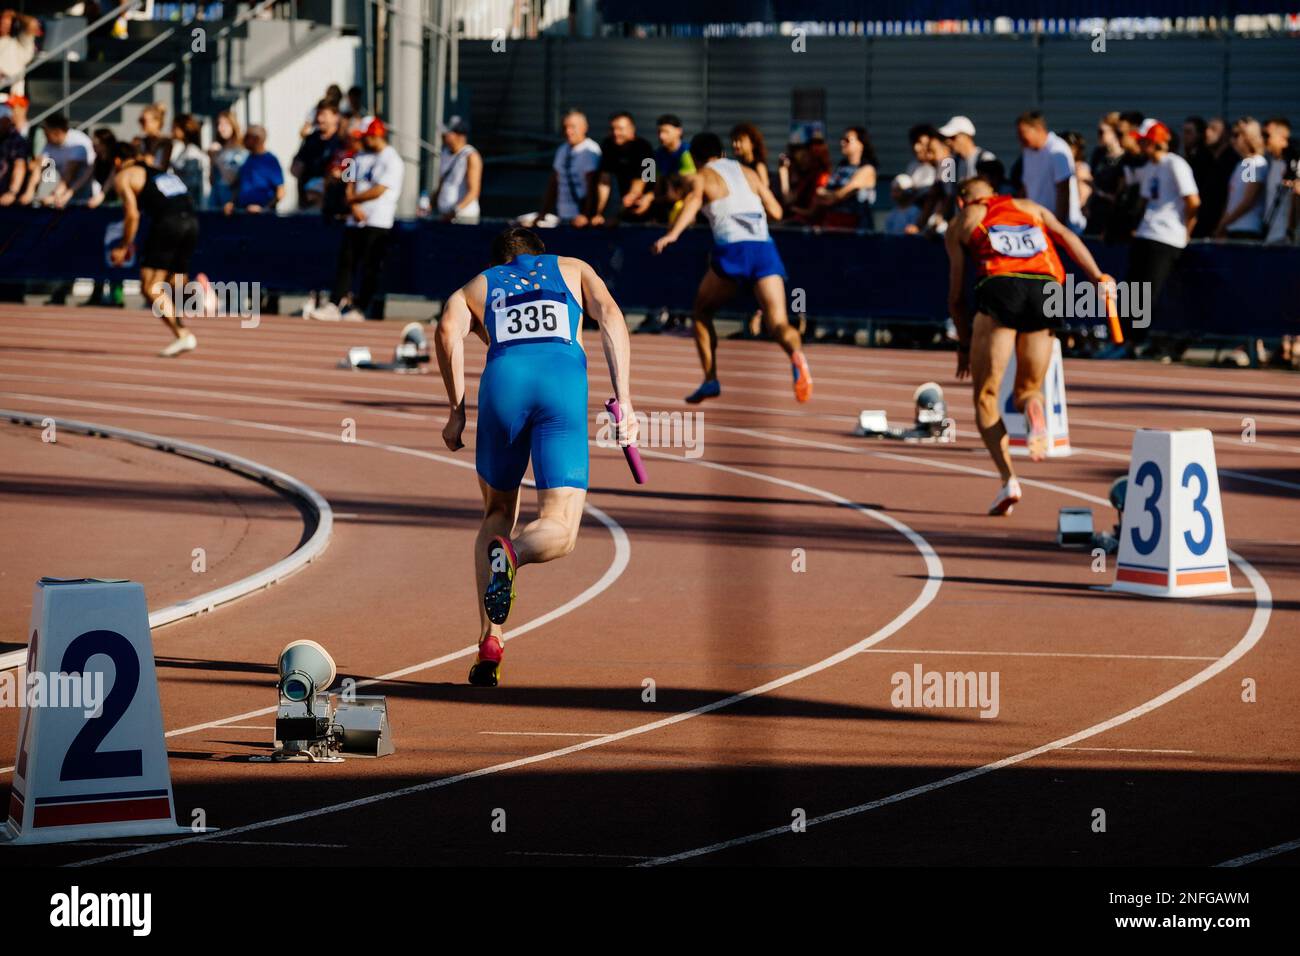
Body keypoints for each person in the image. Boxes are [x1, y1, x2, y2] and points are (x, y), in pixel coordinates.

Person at [434, 227, 636, 687]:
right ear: (540, 255)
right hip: (562, 384)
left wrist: (456, 412)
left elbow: (447, 331)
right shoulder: (575, 268)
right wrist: (624, 400)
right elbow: (612, 318)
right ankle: (516, 554)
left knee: (497, 512)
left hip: (502, 385)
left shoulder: (476, 287)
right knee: (560, 530)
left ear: (499, 261)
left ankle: (491, 641)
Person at [945, 175, 1110, 515]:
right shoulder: (1029, 207)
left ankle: (1009, 479)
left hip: (1001, 286)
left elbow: (956, 297)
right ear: (995, 192)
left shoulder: (962, 221)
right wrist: (1097, 277)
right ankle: (1034, 410)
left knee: (987, 395)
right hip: (1046, 290)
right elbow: (1065, 237)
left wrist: (963, 344)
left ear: (963, 200)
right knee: (1028, 390)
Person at [652, 132, 813, 404]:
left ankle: (710, 378)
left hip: (734, 249)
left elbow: (691, 204)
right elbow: (776, 211)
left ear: (694, 158)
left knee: (701, 312)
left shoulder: (702, 176)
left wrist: (672, 234)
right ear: (723, 153)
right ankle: (797, 356)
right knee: (778, 323)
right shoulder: (748, 172)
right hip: (764, 247)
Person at [107, 141, 201, 357]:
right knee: (172, 281)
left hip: (169, 223)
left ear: (117, 161)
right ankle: (199, 296)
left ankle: (183, 335)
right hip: (192, 221)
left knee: (150, 287)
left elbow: (132, 215)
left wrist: (123, 246)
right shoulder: (160, 171)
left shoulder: (124, 176)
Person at [309, 116, 403, 320]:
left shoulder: (392, 159)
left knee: (371, 266)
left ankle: (361, 307)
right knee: (346, 262)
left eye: (367, 137)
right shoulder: (358, 156)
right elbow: (348, 180)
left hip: (378, 220)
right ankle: (334, 303)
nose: (363, 141)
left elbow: (380, 189)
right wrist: (352, 204)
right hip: (354, 219)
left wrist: (354, 199)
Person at [1123, 119, 1201, 355]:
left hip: (1167, 238)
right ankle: (1128, 340)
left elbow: (1193, 201)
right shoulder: (1150, 168)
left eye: (1145, 142)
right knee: (1131, 288)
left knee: (1150, 290)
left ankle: (1140, 340)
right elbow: (1147, 201)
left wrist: (1186, 230)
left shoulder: (1176, 164)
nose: (1142, 147)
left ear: (1156, 142)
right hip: (1146, 234)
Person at [1016, 110, 1087, 233]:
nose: (1020, 138)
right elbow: (1026, 187)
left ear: (1038, 129)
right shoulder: (1028, 152)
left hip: (1062, 229)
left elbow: (1063, 190)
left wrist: (1058, 227)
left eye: (1023, 133)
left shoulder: (1057, 149)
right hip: (1038, 227)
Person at [529, 109, 601, 227]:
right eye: (565, 127)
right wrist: (543, 213)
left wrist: (586, 215)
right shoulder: (562, 150)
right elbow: (554, 183)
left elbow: (593, 185)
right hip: (562, 216)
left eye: (573, 127)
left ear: (584, 127)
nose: (568, 131)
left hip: (581, 220)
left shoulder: (591, 151)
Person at [590, 111, 654, 226]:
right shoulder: (608, 145)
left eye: (620, 129)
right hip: (624, 207)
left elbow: (644, 181)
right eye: (612, 129)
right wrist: (598, 213)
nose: (615, 133)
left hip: (649, 206)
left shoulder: (645, 147)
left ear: (632, 129)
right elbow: (604, 182)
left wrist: (617, 215)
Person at [1214, 117, 1267, 240]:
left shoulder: (1253, 163)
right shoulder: (1243, 164)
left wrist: (1223, 224)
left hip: (1246, 230)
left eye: (1237, 135)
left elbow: (1247, 201)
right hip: (1234, 228)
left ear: (1249, 137)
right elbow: (1234, 199)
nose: (1232, 140)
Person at [816, 125, 877, 230]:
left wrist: (827, 195)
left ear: (861, 144)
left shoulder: (867, 169)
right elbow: (820, 196)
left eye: (847, 140)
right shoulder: (841, 168)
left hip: (856, 228)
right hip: (834, 224)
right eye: (841, 139)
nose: (842, 143)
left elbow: (841, 194)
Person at [291, 101, 346, 210]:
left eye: (324, 114)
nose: (320, 119)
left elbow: (349, 174)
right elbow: (296, 167)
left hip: (333, 205)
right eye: (318, 114)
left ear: (336, 117)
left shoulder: (342, 142)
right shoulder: (311, 139)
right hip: (308, 202)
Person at [223, 125, 283, 214]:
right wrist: (231, 203)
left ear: (257, 139)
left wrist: (264, 209)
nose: (243, 140)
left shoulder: (270, 161)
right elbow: (239, 185)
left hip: (263, 219)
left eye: (247, 137)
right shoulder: (247, 159)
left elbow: (280, 192)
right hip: (243, 214)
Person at [434, 114, 481, 223]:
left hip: (463, 218)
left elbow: (474, 191)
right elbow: (442, 183)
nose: (443, 136)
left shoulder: (471, 156)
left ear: (459, 135)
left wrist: (455, 211)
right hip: (444, 216)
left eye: (448, 133)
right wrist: (431, 204)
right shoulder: (445, 153)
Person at [208, 111, 247, 210]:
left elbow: (232, 179)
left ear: (233, 125)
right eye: (219, 124)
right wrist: (211, 161)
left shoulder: (241, 151)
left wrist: (218, 160)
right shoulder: (219, 151)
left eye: (225, 124)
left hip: (232, 203)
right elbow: (212, 181)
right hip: (216, 201)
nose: (220, 128)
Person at [169, 113, 208, 208]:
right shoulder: (182, 149)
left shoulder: (192, 152)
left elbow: (193, 183)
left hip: (191, 205)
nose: (171, 131)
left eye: (174, 128)